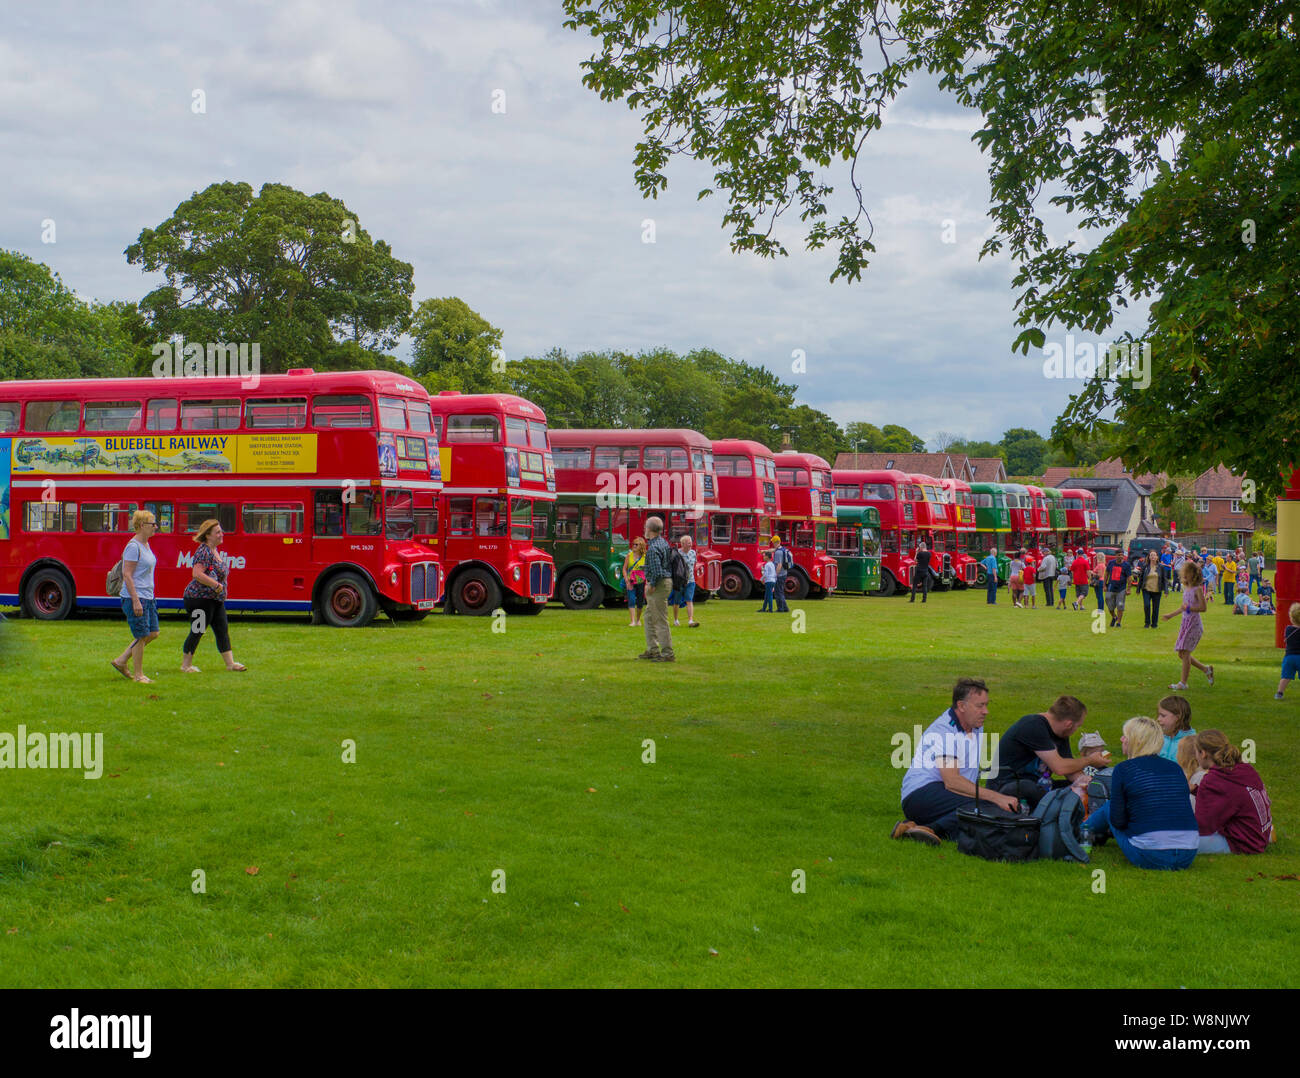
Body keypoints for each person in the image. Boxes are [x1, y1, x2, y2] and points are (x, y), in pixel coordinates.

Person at [893, 678, 1020, 844]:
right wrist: (997, 798)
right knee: (986, 809)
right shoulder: (944, 731)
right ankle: (931, 830)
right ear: (961, 706)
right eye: (980, 706)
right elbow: (952, 781)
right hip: (920, 795)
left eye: (986, 704)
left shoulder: (974, 724)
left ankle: (913, 827)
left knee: (984, 813)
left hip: (939, 793)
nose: (986, 711)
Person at [1081, 716, 1199, 870]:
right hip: (1187, 854)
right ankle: (1084, 831)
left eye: (1126, 736)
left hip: (1150, 855)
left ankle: (1080, 832)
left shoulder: (1124, 769)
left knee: (1110, 807)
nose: (1121, 739)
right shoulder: (1174, 768)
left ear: (1135, 741)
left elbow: (1117, 820)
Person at [985, 695, 1110, 808]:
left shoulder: (1060, 733)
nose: (1076, 730)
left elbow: (1070, 770)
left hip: (1038, 784)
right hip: (1008, 785)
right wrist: (1090, 760)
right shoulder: (1033, 725)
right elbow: (1060, 768)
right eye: (1078, 726)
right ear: (1069, 724)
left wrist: (1086, 782)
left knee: (1075, 789)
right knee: (1034, 789)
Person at [180, 519, 246, 673]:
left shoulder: (214, 551)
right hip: (199, 599)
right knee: (198, 629)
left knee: (222, 629)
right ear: (208, 535)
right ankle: (186, 665)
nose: (221, 535)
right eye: (217, 532)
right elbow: (197, 574)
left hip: (215, 600)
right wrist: (215, 585)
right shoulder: (203, 551)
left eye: (221, 532)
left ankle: (230, 664)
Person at [1194, 730, 1273, 854]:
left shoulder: (1214, 779)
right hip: (1258, 836)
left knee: (1180, 841)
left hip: (1242, 842)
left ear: (1203, 753)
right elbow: (1229, 797)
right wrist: (1195, 790)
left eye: (1196, 752)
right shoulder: (1244, 768)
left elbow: (1202, 827)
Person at [110, 509, 161, 684]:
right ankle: (139, 675)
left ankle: (121, 660)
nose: (156, 527)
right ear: (141, 526)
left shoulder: (146, 544)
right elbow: (127, 575)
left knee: (153, 633)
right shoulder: (133, 546)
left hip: (148, 596)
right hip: (136, 597)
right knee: (141, 635)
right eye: (152, 524)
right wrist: (136, 600)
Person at [1163, 561, 1213, 690]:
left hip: (1194, 625)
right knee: (1181, 654)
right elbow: (1183, 608)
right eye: (1183, 573)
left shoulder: (1197, 590)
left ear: (1194, 575)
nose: (1184, 575)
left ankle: (1183, 683)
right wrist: (1170, 615)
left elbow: (1203, 608)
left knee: (1185, 654)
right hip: (1185, 624)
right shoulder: (1186, 590)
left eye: (1188, 573)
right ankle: (1206, 669)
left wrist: (1190, 608)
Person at [636, 516, 674, 662]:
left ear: (649, 529)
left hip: (658, 584)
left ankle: (667, 653)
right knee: (649, 617)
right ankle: (653, 649)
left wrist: (651, 583)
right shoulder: (663, 543)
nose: (645, 529)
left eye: (646, 527)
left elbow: (657, 571)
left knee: (659, 619)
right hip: (666, 582)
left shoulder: (652, 548)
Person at [668, 533, 699, 628]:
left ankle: (690, 620)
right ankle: (676, 620)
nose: (690, 544)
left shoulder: (693, 553)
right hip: (679, 582)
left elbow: (693, 566)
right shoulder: (677, 553)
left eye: (690, 542)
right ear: (682, 544)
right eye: (688, 543)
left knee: (689, 600)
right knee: (676, 601)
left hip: (690, 581)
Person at [1155, 694, 1194, 761]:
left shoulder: (1191, 742)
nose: (1158, 719)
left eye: (1163, 716)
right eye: (1159, 715)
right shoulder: (1157, 737)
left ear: (1178, 717)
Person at [1275, 602, 1300, 699]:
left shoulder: (1288, 629)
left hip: (1289, 657)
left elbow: (1286, 640)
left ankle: (1279, 693)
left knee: (1285, 676)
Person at [1138, 549, 1166, 628]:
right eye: (1151, 555)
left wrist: (1166, 590)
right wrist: (1138, 589)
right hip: (1146, 589)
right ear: (1149, 557)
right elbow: (1141, 578)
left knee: (1155, 608)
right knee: (1146, 605)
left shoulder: (1161, 567)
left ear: (1157, 557)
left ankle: (1154, 624)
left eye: (1154, 555)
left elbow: (1165, 579)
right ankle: (1147, 623)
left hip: (1157, 591)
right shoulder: (1145, 566)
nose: (1153, 556)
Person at [623, 537, 646, 628]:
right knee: (631, 599)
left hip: (641, 581)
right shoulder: (629, 555)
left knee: (640, 602)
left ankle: (638, 620)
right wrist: (626, 580)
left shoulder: (645, 556)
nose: (634, 546)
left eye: (636, 544)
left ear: (641, 546)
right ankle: (632, 621)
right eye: (633, 544)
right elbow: (624, 569)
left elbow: (648, 570)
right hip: (631, 581)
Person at [1103, 550, 1130, 627]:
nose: (1121, 556)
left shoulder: (1126, 565)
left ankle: (1118, 623)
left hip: (1121, 589)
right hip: (1111, 587)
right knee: (1109, 605)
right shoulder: (1111, 563)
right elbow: (1106, 574)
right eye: (1119, 555)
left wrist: (1128, 588)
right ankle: (1114, 617)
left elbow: (1129, 577)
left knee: (1120, 606)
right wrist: (1104, 585)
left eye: (1122, 555)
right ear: (1116, 555)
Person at [771, 536, 791, 613]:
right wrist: (764, 551)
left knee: (778, 592)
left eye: (773, 542)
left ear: (776, 542)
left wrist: (775, 575)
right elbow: (773, 550)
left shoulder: (778, 552)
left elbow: (779, 565)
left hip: (780, 575)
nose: (772, 544)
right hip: (784, 573)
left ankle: (780, 608)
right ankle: (785, 608)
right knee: (780, 591)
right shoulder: (782, 549)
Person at [1091, 547, 1106, 611]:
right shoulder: (1103, 565)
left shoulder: (1100, 565)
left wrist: (1092, 573)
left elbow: (1099, 575)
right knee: (1099, 595)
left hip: (1099, 581)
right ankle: (1100, 608)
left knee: (1099, 596)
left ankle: (1100, 608)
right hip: (1101, 581)